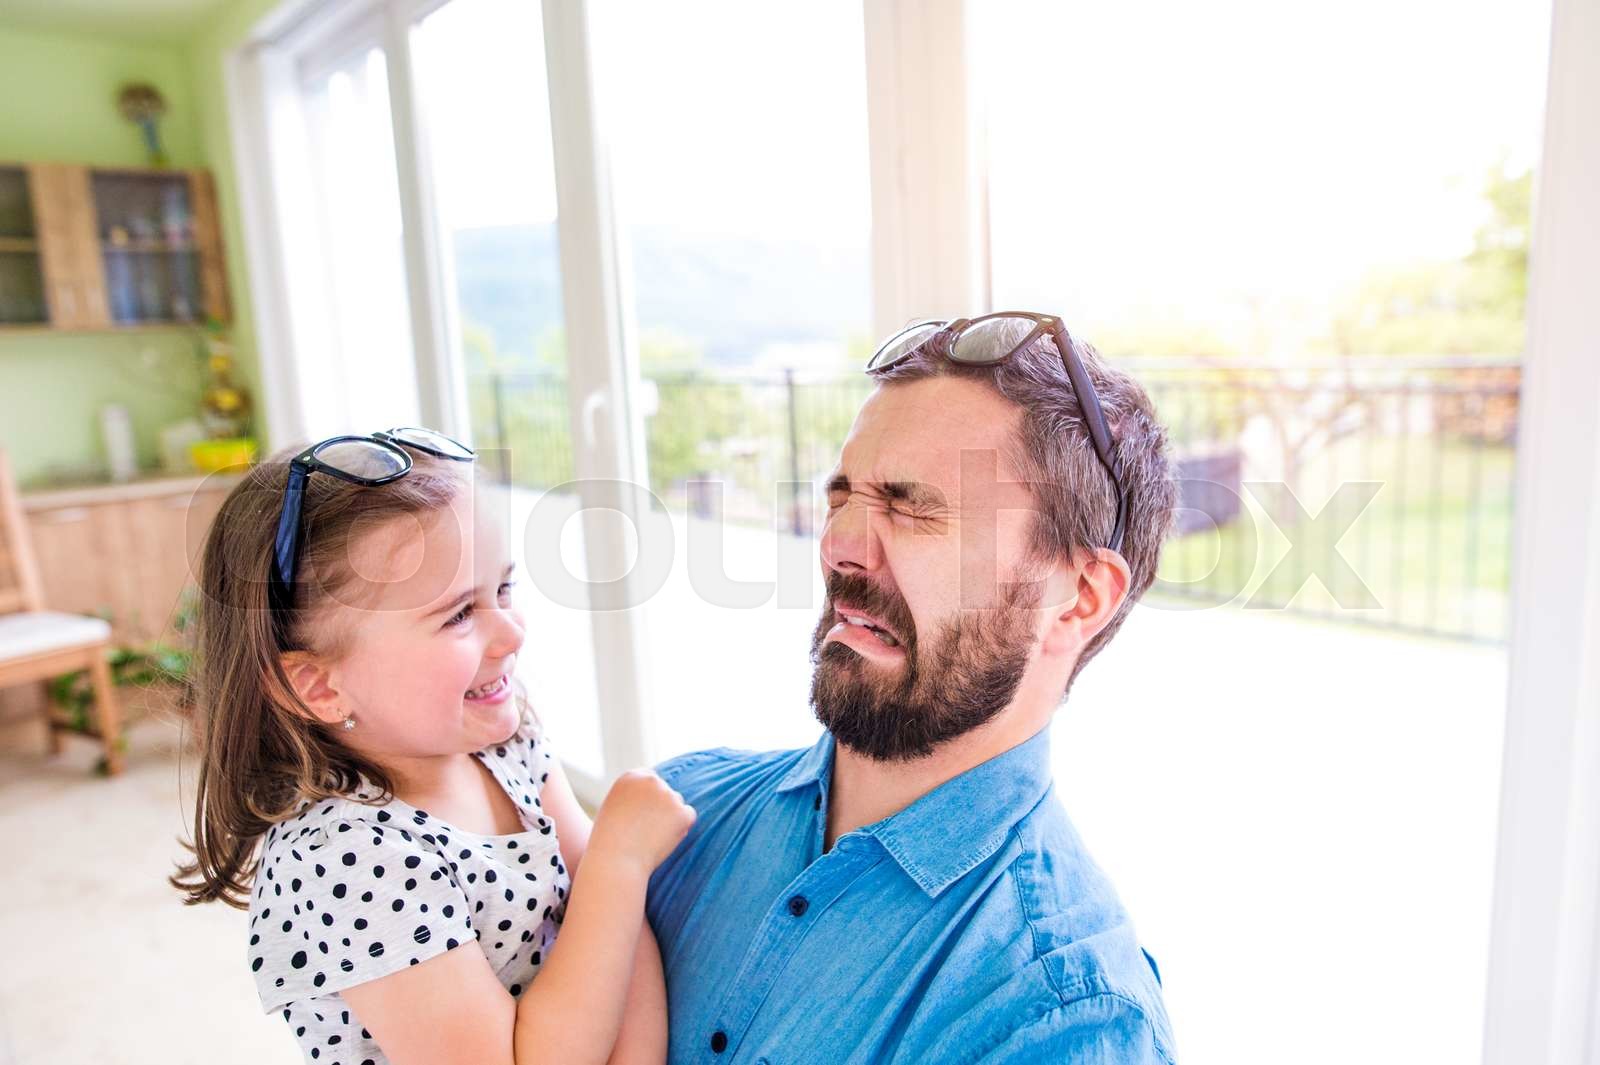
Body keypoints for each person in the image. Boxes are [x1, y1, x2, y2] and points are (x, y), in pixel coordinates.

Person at [647, 314, 1180, 1063]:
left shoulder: (1063, 1018)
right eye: (842, 497)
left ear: (1079, 598)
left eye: (912, 506)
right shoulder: (675, 818)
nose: (839, 545)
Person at [171, 428, 695, 1065]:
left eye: (503, 589)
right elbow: (609, 899)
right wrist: (620, 864)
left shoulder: (505, 744)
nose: (512, 633)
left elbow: (613, 934)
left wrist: (614, 879)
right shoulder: (347, 860)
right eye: (458, 615)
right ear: (320, 686)